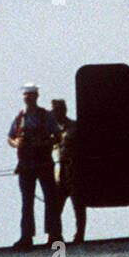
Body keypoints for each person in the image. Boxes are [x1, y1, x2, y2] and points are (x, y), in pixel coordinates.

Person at [8, 83, 60, 249]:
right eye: (25, 96)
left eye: (30, 95)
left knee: (50, 199)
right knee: (27, 201)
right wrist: (16, 143)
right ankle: (26, 236)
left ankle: (54, 235)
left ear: (36, 96)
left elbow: (57, 136)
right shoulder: (20, 117)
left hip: (43, 161)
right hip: (26, 164)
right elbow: (10, 137)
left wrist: (44, 142)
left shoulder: (46, 116)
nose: (28, 98)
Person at [50, 98, 85, 243]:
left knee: (78, 204)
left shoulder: (74, 127)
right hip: (60, 170)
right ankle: (54, 235)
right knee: (56, 205)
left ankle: (80, 235)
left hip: (74, 169)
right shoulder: (51, 129)